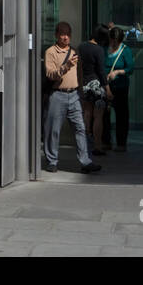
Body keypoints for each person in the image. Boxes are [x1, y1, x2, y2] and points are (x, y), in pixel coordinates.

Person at [43, 22, 100, 174]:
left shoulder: (74, 52)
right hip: (57, 95)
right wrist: (66, 66)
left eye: (68, 34)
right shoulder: (50, 52)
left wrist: (80, 94)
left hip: (74, 95)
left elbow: (79, 75)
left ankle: (85, 161)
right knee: (53, 130)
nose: (65, 37)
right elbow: (50, 74)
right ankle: (52, 161)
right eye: (62, 34)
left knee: (80, 128)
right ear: (56, 35)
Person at [78, 24, 111, 154]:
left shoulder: (81, 46)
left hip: (84, 85)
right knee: (98, 116)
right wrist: (108, 89)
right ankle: (98, 145)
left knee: (87, 114)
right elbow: (101, 72)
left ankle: (85, 144)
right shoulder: (99, 50)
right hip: (96, 85)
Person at [101, 25, 135, 151]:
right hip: (106, 86)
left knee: (122, 115)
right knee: (104, 115)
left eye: (117, 42)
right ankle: (106, 141)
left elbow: (130, 68)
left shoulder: (125, 50)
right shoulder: (104, 49)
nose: (114, 44)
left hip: (121, 87)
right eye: (112, 41)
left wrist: (118, 72)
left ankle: (121, 143)